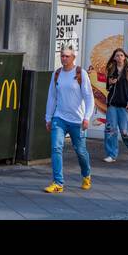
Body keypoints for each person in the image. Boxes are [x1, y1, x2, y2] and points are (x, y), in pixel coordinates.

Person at [44, 45, 95, 193]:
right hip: (59, 118)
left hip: (77, 120)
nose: (64, 58)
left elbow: (89, 97)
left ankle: (86, 175)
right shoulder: (57, 74)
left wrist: (86, 117)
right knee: (56, 148)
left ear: (73, 57)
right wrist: (48, 117)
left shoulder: (81, 73)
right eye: (62, 55)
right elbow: (52, 97)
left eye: (67, 56)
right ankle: (58, 183)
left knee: (80, 151)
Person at [102, 47, 128, 163]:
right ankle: (111, 155)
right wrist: (110, 83)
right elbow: (108, 88)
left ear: (125, 57)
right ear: (114, 57)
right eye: (117, 55)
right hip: (112, 104)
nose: (119, 57)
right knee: (110, 130)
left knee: (124, 131)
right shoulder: (111, 70)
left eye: (121, 55)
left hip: (124, 105)